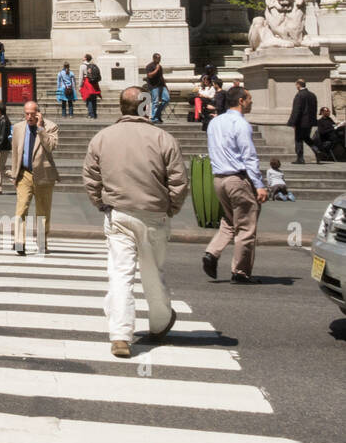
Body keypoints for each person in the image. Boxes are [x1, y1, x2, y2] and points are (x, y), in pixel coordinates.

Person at [82, 86, 187, 358]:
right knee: (153, 272)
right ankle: (160, 322)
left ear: (121, 108)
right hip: (154, 213)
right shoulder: (164, 138)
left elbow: (91, 178)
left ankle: (120, 335)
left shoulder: (102, 138)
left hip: (118, 213)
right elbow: (178, 181)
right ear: (146, 107)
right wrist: (171, 207)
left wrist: (100, 203)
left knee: (120, 274)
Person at [202, 86, 266, 284]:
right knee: (246, 226)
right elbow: (249, 156)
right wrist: (259, 184)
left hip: (219, 179)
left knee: (230, 220)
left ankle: (212, 253)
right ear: (241, 101)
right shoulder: (241, 124)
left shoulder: (215, 123)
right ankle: (241, 271)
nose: (251, 102)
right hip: (237, 178)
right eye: (249, 99)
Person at [11, 99, 59, 256]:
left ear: (39, 113)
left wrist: (40, 129)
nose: (29, 117)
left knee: (42, 212)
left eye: (32, 114)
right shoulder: (18, 128)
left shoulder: (50, 126)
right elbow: (16, 153)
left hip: (43, 175)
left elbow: (51, 146)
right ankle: (19, 242)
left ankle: (41, 243)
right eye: (27, 114)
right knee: (21, 208)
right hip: (24, 174)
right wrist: (14, 175)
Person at [287, 78, 318, 164]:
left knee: (298, 139)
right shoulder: (312, 95)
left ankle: (300, 158)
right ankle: (317, 150)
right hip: (310, 122)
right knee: (306, 137)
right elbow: (314, 109)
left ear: (298, 85)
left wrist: (293, 122)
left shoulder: (299, 95)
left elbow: (297, 110)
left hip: (301, 122)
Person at [144, 53, 166, 124]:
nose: (159, 60)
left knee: (166, 99)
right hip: (154, 86)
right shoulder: (149, 66)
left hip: (161, 85)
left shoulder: (160, 66)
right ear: (153, 58)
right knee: (155, 102)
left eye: (159, 58)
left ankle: (157, 114)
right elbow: (149, 75)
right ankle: (154, 118)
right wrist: (156, 69)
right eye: (157, 58)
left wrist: (165, 86)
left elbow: (161, 77)